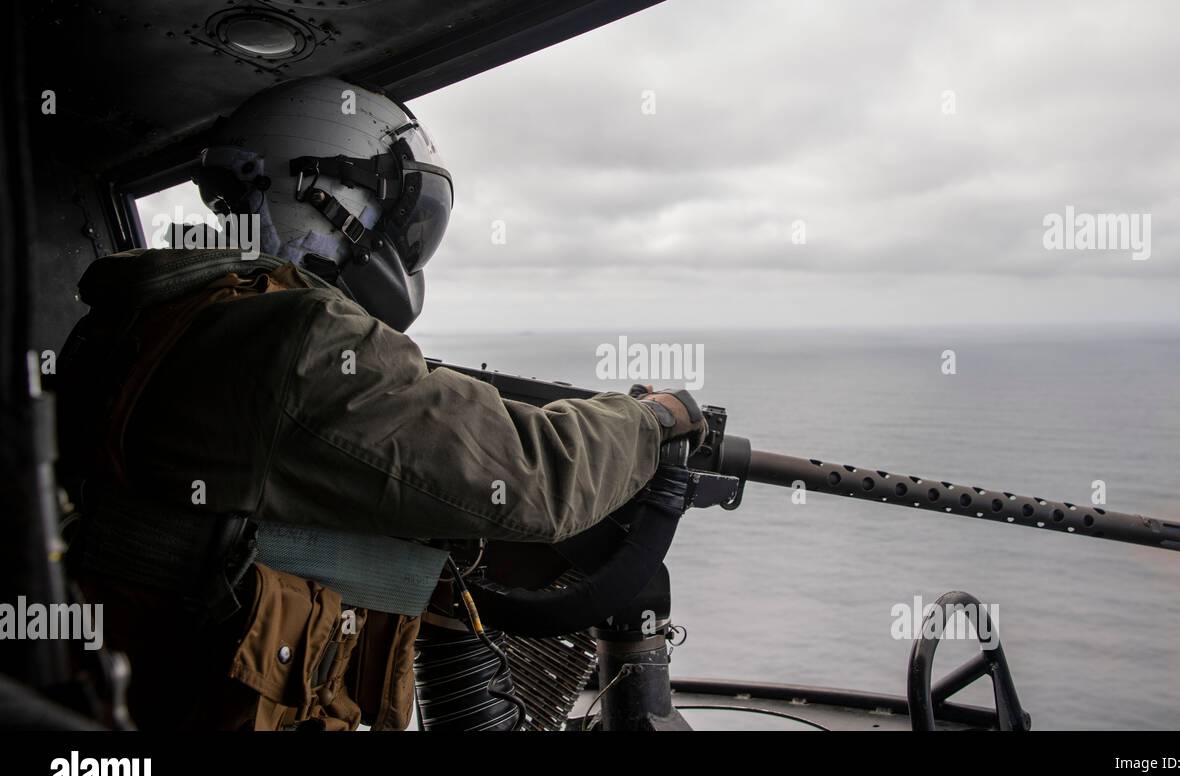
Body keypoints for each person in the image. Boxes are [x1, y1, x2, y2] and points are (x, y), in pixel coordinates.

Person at [55, 76, 705, 730]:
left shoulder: (146, 323)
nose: (408, 247)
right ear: (325, 196)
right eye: (405, 221)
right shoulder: (297, 338)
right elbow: (531, 478)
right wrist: (652, 419)